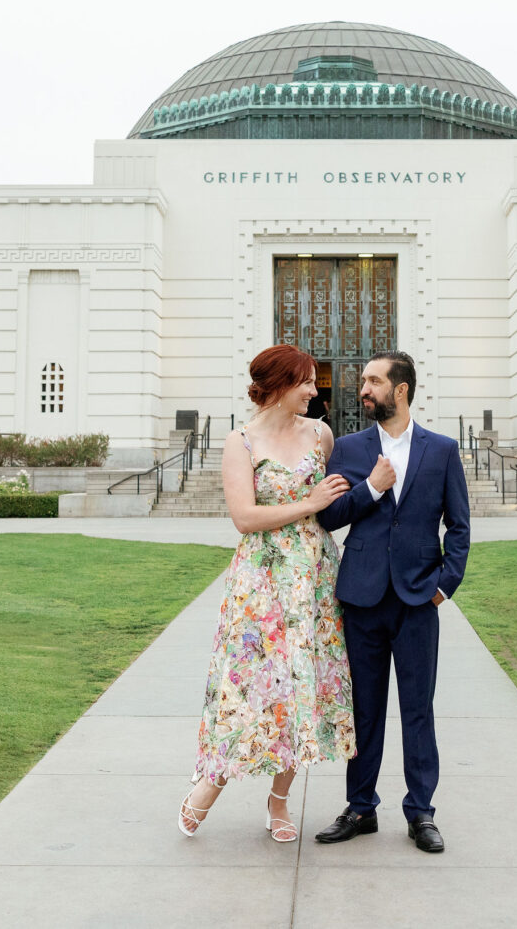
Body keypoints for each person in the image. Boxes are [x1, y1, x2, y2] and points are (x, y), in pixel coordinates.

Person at [180, 344, 356, 842]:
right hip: (261, 582)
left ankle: (278, 804)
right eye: (305, 382)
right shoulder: (240, 441)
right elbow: (245, 518)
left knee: (302, 691)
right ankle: (209, 783)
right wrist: (309, 502)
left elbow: (335, 504)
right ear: (279, 385)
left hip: (315, 582)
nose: (313, 391)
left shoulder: (321, 434)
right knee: (249, 687)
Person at [312, 351, 471, 854]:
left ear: (400, 390)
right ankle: (360, 807)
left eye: (373, 381)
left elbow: (460, 527)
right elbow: (330, 517)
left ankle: (421, 812)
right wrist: (371, 488)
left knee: (418, 708)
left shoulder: (442, 450)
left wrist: (446, 584)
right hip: (361, 596)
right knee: (365, 710)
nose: (363, 388)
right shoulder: (350, 448)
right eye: (363, 381)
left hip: (419, 598)